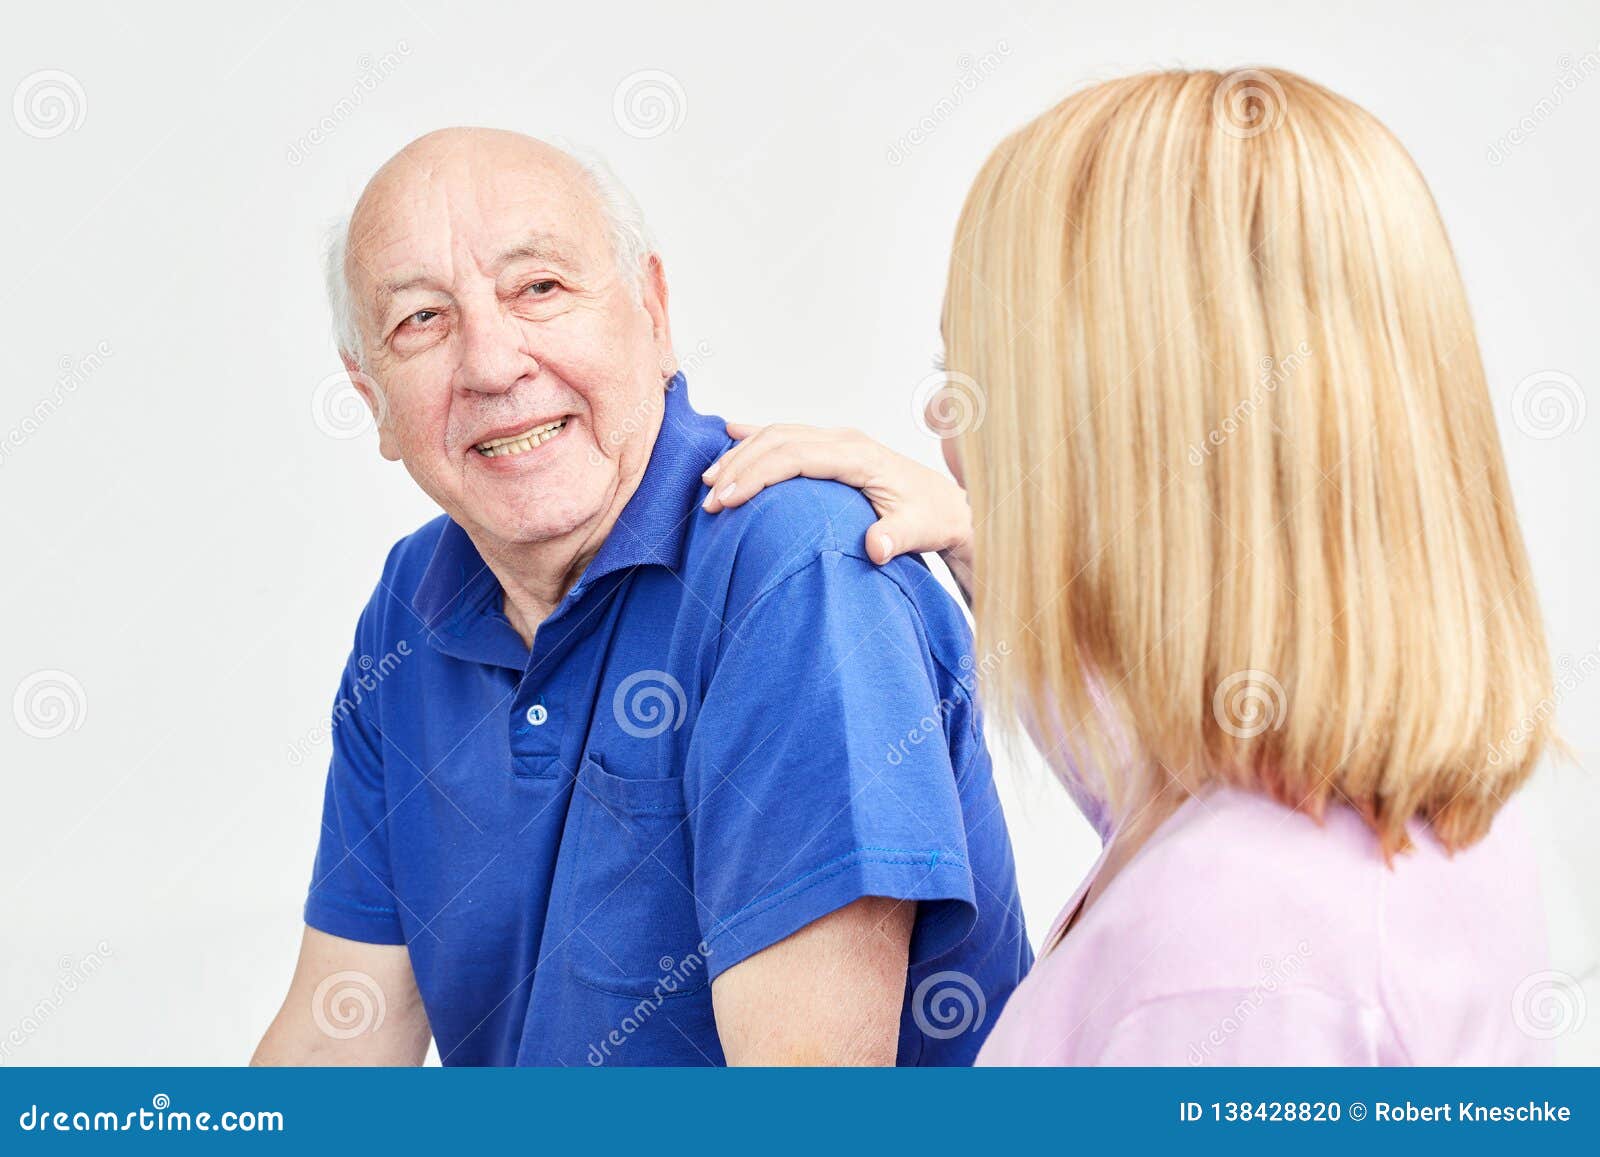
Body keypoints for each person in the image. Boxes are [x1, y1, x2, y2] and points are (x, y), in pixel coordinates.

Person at [702, 68, 1558, 1064]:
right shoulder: (1397, 829)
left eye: (974, 383)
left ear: (1126, 438)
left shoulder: (1222, 955)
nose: (943, 422)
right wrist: (990, 544)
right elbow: (1154, 784)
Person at [252, 128, 1030, 1067]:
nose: (492, 364)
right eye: (421, 319)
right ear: (370, 397)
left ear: (654, 314)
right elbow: (335, 1052)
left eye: (538, 288)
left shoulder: (798, 572)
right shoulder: (412, 606)